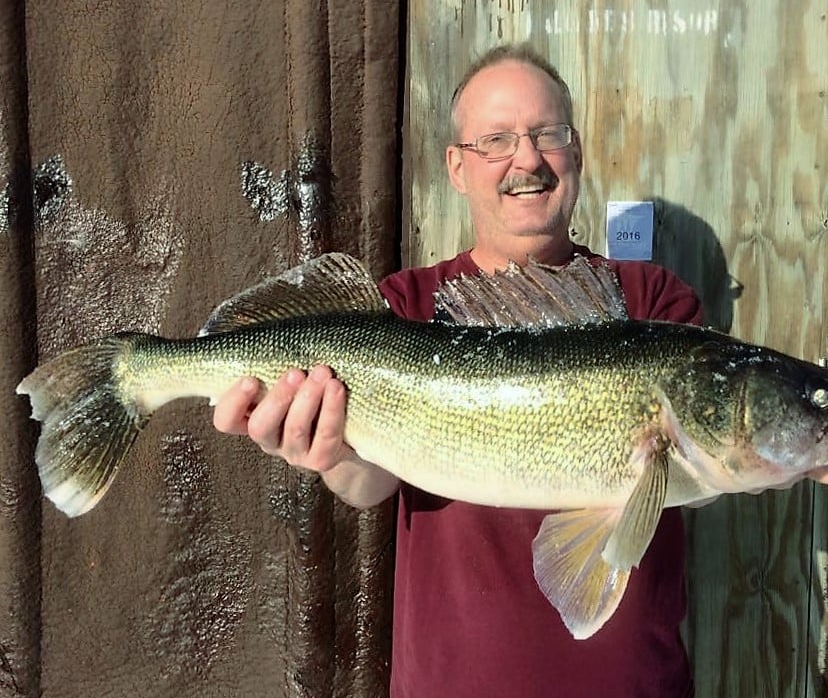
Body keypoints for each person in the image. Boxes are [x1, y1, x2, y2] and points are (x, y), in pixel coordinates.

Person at [215, 44, 702, 697]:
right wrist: (323, 450)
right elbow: (369, 482)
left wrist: (802, 438)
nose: (525, 159)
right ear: (455, 165)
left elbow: (715, 447)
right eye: (495, 139)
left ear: (576, 150)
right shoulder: (406, 309)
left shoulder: (651, 305)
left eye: (546, 134)